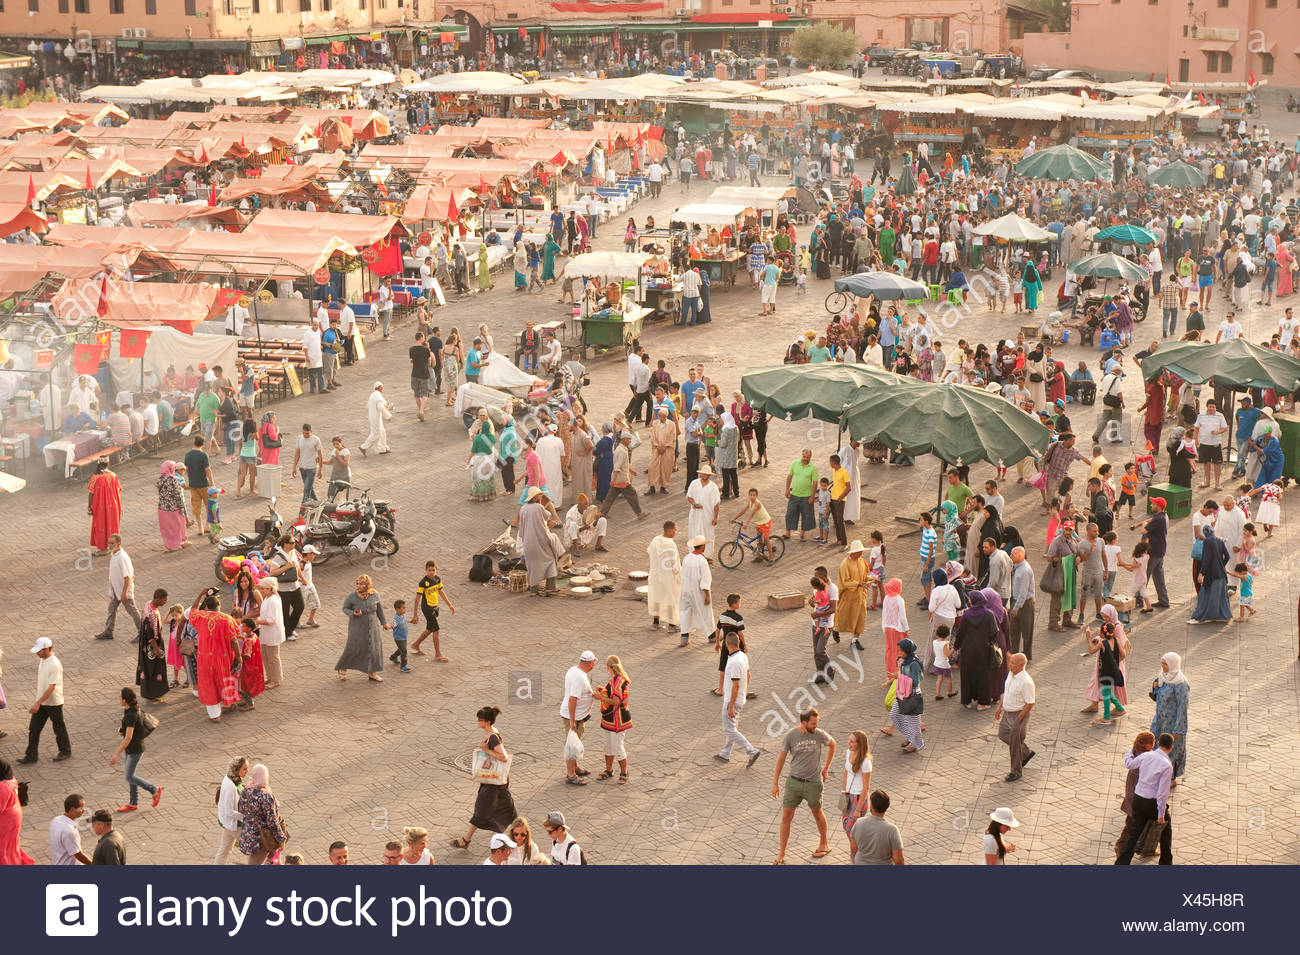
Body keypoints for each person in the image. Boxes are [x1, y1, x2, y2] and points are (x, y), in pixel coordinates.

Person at [771, 708, 836, 865]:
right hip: (793, 782)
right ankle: (781, 853)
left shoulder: (819, 734)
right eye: (813, 724)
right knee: (786, 817)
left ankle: (824, 843)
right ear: (804, 722)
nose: (815, 726)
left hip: (814, 783)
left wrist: (826, 768)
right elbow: (780, 759)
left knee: (817, 813)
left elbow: (833, 744)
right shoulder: (791, 736)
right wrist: (775, 783)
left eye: (817, 723)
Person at [451, 706, 516, 851]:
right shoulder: (492, 732)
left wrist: (486, 750)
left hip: (493, 783)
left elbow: (504, 757)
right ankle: (515, 835)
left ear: (487, 722)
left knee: (481, 811)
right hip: (494, 780)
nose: (477, 721)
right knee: (506, 809)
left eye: (480, 719)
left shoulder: (492, 736)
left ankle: (466, 840)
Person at [1114, 733, 1176, 865]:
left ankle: (1121, 863)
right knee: (1166, 832)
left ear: (1158, 744)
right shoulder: (1167, 766)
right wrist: (1161, 814)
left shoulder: (1146, 755)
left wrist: (1131, 751)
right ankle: (1166, 862)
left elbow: (1129, 764)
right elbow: (1162, 793)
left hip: (1138, 800)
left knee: (1134, 834)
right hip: (1152, 803)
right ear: (1171, 748)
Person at [109, 687, 160, 813]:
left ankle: (153, 789)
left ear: (125, 700)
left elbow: (128, 738)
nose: (119, 699)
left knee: (129, 776)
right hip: (134, 748)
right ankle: (133, 802)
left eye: (120, 697)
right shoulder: (131, 710)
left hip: (134, 750)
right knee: (130, 774)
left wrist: (116, 753)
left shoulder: (131, 715)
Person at [19, 637, 70, 765]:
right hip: (42, 702)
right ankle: (31, 755)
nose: (37, 653)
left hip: (53, 702)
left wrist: (37, 703)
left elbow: (51, 687)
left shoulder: (54, 664)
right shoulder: (43, 660)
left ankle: (65, 751)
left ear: (47, 649)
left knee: (58, 727)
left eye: (39, 651)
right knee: (34, 729)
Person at [336, 575, 389, 682]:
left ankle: (372, 673)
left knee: (373, 649)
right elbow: (345, 608)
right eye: (358, 583)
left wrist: (384, 623)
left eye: (362, 584)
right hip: (357, 627)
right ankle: (342, 667)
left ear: (367, 585)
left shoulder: (374, 595)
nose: (359, 586)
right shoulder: (352, 596)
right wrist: (353, 613)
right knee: (353, 648)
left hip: (373, 628)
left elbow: (379, 610)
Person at [93, 534, 142, 642]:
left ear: (118, 544)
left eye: (112, 543)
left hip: (123, 590)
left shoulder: (122, 558)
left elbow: (127, 578)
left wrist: (124, 593)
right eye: (109, 543)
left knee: (133, 611)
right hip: (116, 589)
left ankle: (142, 632)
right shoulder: (114, 555)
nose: (109, 545)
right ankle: (108, 631)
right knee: (111, 610)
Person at [995, 653, 1036, 782]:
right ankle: (1025, 752)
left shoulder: (1026, 682)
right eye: (1010, 662)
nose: (1009, 665)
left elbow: (1030, 702)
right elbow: (1006, 691)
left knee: (1014, 744)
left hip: (1017, 714)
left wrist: (1019, 719)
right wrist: (999, 707)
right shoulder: (1011, 674)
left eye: (1013, 663)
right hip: (1007, 712)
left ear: (1021, 665)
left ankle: (1016, 771)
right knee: (1002, 734)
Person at [1150, 652, 1190, 781]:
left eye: (1165, 664)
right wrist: (1155, 687)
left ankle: (1171, 778)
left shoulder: (1180, 683)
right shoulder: (1163, 677)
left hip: (1172, 724)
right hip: (1160, 721)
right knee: (1157, 746)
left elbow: (1182, 707)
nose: (1163, 667)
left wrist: (1178, 730)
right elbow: (1158, 697)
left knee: (1172, 750)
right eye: (1162, 664)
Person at [237, 763, 286, 866]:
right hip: (262, 838)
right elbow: (272, 821)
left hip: (249, 834)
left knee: (275, 861)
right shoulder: (266, 796)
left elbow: (241, 809)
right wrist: (281, 838)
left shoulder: (246, 790)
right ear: (265, 776)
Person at [592, 656, 632, 783]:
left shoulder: (617, 681)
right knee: (608, 746)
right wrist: (603, 691)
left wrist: (600, 697)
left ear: (609, 667)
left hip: (617, 720)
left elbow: (615, 701)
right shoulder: (619, 679)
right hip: (611, 719)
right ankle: (608, 770)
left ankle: (624, 772)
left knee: (617, 746)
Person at [560, 651, 596, 785]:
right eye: (594, 662)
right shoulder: (580, 677)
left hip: (576, 716)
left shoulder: (573, 670)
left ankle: (575, 768)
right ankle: (571, 775)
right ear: (589, 663)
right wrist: (572, 720)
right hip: (575, 717)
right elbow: (573, 699)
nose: (594, 665)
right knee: (571, 745)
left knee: (574, 743)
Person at [884, 638, 924, 753]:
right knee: (894, 714)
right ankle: (912, 738)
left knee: (914, 723)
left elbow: (916, 681)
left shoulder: (914, 663)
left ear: (907, 650)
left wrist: (899, 677)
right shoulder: (905, 661)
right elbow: (904, 674)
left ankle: (915, 744)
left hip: (912, 696)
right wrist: (897, 675)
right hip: (902, 693)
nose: (899, 652)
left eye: (902, 650)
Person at [409, 559, 455, 660]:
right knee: (436, 630)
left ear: (436, 570)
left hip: (435, 607)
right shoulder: (423, 582)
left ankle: (415, 645)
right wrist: (415, 615)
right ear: (426, 570)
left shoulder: (437, 579)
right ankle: (438, 654)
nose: (431, 572)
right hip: (427, 608)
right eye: (429, 570)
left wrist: (450, 605)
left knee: (430, 628)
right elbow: (417, 599)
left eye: (433, 570)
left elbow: (441, 592)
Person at [518, 488, 559, 594]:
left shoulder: (523, 509)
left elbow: (521, 529)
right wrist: (541, 503)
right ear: (535, 497)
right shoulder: (539, 507)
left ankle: (533, 590)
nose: (541, 497)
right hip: (540, 541)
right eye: (539, 495)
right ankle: (550, 587)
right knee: (551, 560)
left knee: (533, 567)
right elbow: (548, 516)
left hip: (527, 543)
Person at [848, 790, 904, 865]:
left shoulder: (858, 823)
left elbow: (853, 849)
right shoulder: (892, 830)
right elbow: (898, 860)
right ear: (886, 807)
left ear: (872, 806)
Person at [1189, 525, 1232, 623]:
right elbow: (1228, 556)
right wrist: (1222, 565)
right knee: (1221, 596)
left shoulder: (1207, 541)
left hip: (1211, 574)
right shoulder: (1220, 541)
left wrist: (1201, 573)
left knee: (1207, 595)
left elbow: (1207, 559)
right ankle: (1225, 616)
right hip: (1221, 574)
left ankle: (1206, 616)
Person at [646, 521, 682, 631]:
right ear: (670, 530)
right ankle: (672, 625)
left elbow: (649, 552)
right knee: (671, 599)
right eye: (675, 530)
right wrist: (679, 576)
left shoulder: (655, 540)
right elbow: (675, 565)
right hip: (667, 577)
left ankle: (655, 622)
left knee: (656, 597)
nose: (676, 532)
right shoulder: (671, 544)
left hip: (655, 575)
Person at [678, 535, 712, 648]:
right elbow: (705, 580)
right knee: (705, 612)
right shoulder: (702, 560)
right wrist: (707, 595)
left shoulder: (687, 558)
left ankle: (684, 638)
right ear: (702, 546)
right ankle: (712, 635)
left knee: (685, 612)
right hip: (697, 591)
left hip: (685, 590)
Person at [135, 589, 170, 701]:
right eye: (164, 600)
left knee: (147, 668)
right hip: (152, 647)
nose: (165, 603)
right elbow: (152, 635)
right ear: (158, 599)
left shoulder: (148, 604)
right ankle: (152, 694)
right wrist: (156, 649)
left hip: (144, 646)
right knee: (153, 669)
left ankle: (148, 693)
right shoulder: (153, 614)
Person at [215, 756, 249, 864]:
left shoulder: (231, 778)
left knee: (224, 851)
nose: (247, 771)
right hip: (234, 825)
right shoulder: (230, 787)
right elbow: (229, 812)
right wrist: (245, 817)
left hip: (228, 824)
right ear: (236, 769)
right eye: (244, 769)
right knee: (254, 850)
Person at [87, 459, 123, 555]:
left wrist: (89, 506)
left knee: (100, 526)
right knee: (113, 526)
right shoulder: (114, 475)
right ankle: (115, 547)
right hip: (113, 506)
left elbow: (91, 494)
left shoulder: (95, 477)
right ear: (108, 463)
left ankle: (103, 549)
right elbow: (119, 491)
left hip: (100, 507)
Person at [684, 464, 721, 558]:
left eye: (706, 474)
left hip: (708, 516)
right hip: (695, 515)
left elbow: (716, 504)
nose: (704, 475)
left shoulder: (713, 487)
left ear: (709, 475)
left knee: (708, 535)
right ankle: (693, 554)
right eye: (703, 473)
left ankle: (707, 556)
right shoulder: (694, 483)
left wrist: (715, 517)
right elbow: (689, 497)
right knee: (694, 533)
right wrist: (694, 504)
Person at [183, 435, 214, 536]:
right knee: (208, 505)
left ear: (194, 442)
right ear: (202, 444)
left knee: (196, 507)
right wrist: (212, 483)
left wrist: (190, 478)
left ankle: (200, 528)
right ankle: (207, 526)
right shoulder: (203, 455)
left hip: (193, 485)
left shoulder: (188, 455)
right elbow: (207, 470)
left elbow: (186, 469)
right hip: (204, 484)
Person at [155, 461, 189, 553]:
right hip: (173, 507)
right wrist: (181, 506)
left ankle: (168, 545)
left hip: (162, 507)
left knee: (166, 527)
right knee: (179, 524)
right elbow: (177, 494)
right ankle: (181, 542)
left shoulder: (159, 479)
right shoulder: (172, 479)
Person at [50, 794, 92, 865]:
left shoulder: (56, 820)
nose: (84, 810)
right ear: (72, 809)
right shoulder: (69, 832)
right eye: (81, 808)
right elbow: (78, 855)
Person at [292, 423, 324, 504]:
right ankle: (318, 505)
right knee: (310, 489)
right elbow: (297, 453)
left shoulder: (316, 440)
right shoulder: (299, 438)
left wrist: (320, 469)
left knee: (306, 490)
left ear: (311, 431)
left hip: (311, 468)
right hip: (302, 468)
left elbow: (320, 455)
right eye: (303, 433)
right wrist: (294, 467)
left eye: (307, 433)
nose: (305, 435)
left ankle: (301, 512)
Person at [0, 759, 25, 865]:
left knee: (3, 851)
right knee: (10, 847)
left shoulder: (2, 787)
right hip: (12, 819)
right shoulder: (9, 778)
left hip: (6, 823)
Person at [360, 381, 393, 457]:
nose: (383, 388)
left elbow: (370, 406)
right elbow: (380, 407)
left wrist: (388, 407)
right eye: (382, 387)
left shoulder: (373, 395)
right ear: (380, 387)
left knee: (382, 432)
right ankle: (363, 447)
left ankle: (382, 448)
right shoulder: (378, 395)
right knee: (376, 433)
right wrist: (388, 416)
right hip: (376, 417)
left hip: (373, 416)